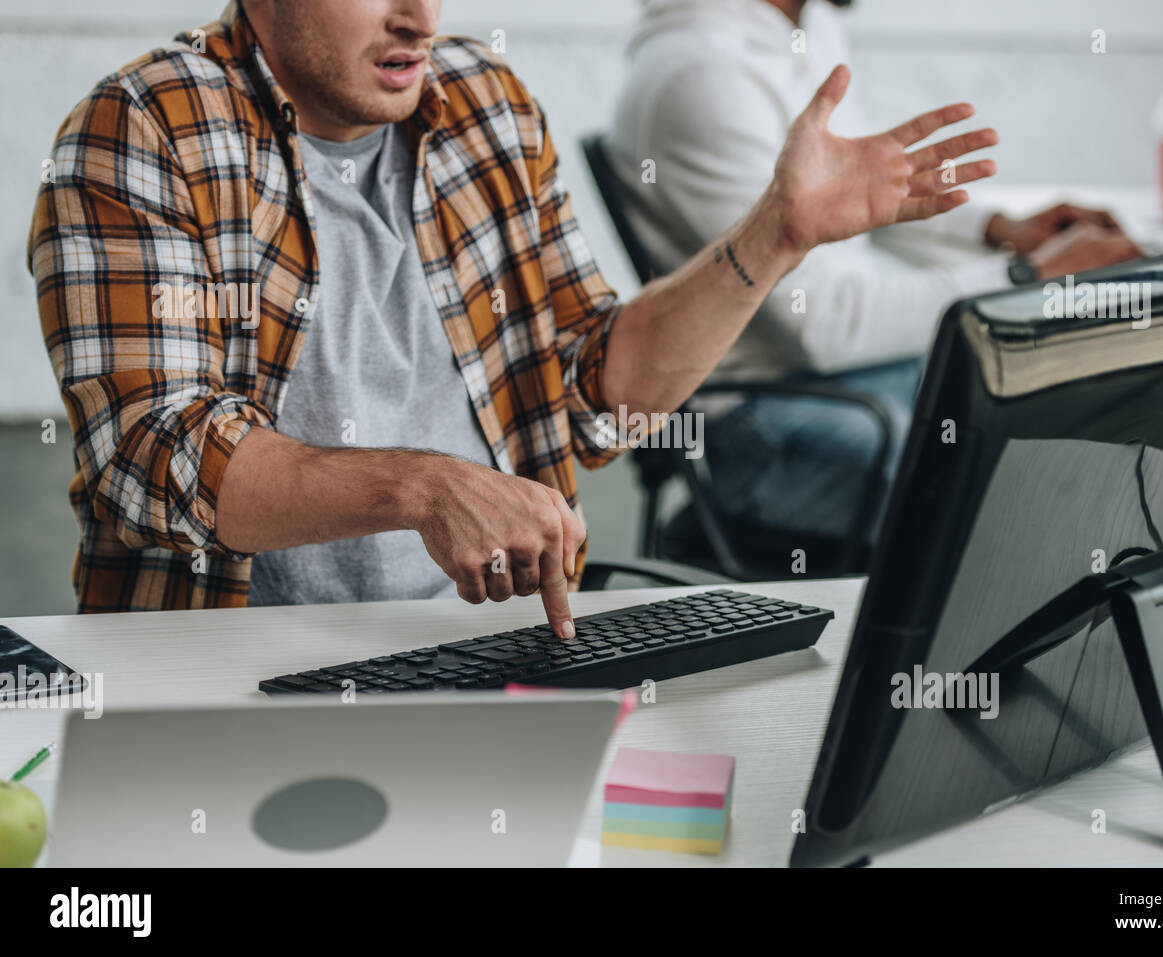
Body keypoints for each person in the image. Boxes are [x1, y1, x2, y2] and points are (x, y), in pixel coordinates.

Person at [27, 0, 996, 635]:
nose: (418, 16)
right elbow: (152, 460)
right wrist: (423, 487)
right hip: (224, 652)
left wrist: (778, 233)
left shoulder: (484, 104)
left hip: (492, 636)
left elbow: (589, 394)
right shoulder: (145, 127)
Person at [609, 0, 1144, 546]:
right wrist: (1026, 277)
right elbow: (823, 328)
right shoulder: (704, 76)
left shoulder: (803, 30)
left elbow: (859, 201)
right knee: (1035, 494)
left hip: (848, 381)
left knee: (1066, 424)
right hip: (768, 417)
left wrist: (1003, 230)